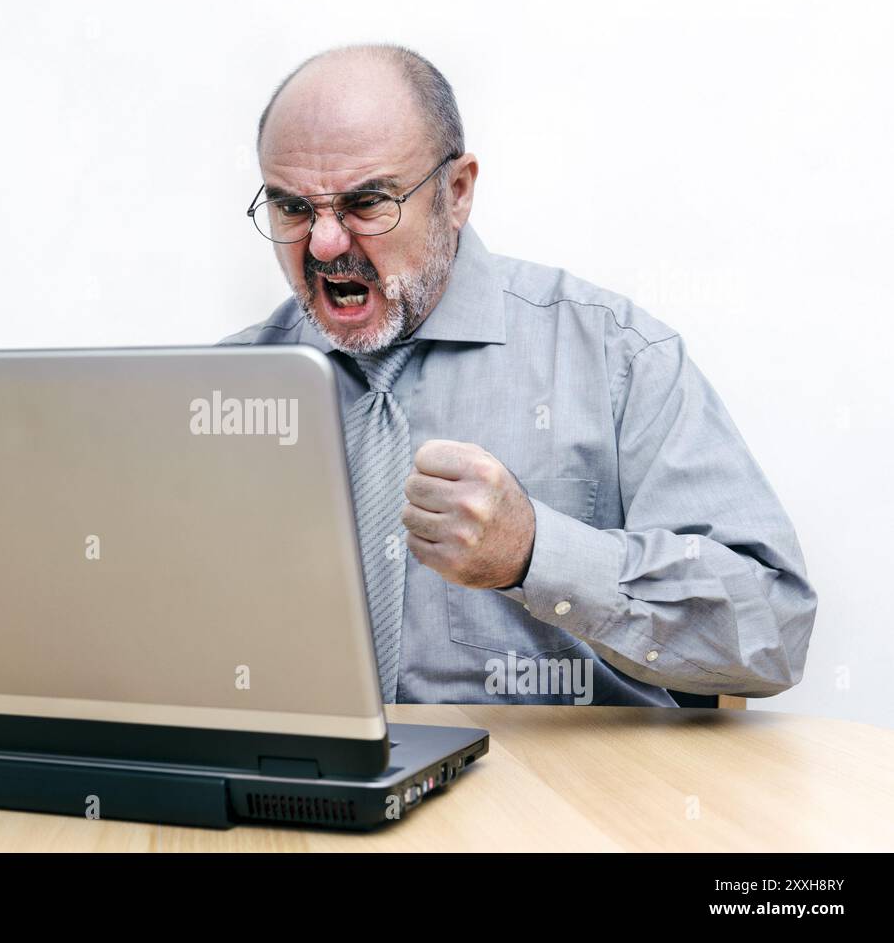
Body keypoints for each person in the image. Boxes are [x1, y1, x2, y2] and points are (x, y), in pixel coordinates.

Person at [220, 43, 817, 706]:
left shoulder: (616, 357)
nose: (326, 245)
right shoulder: (223, 392)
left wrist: (537, 554)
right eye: (293, 209)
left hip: (565, 801)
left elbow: (774, 633)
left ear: (457, 192)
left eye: (367, 203)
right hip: (301, 798)